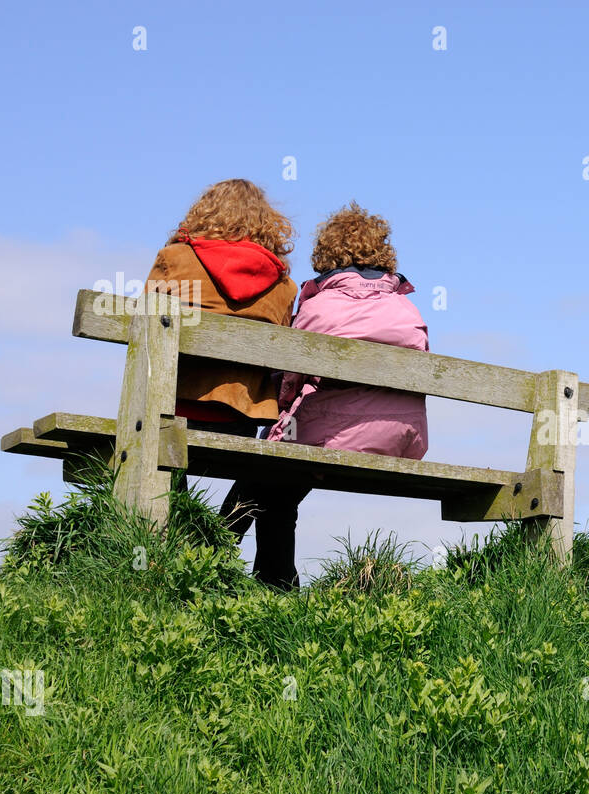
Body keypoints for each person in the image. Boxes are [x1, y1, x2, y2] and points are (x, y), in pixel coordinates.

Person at [234, 202, 430, 588]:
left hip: (331, 439)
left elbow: (288, 384)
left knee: (269, 474)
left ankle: (233, 564)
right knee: (274, 480)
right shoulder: (407, 309)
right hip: (398, 439)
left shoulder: (318, 306)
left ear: (326, 254)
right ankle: (261, 575)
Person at [143, 179, 298, 520]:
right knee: (270, 469)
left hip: (175, 409)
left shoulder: (174, 260)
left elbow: (144, 335)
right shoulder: (284, 285)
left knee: (152, 433)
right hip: (240, 418)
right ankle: (219, 546)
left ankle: (170, 540)